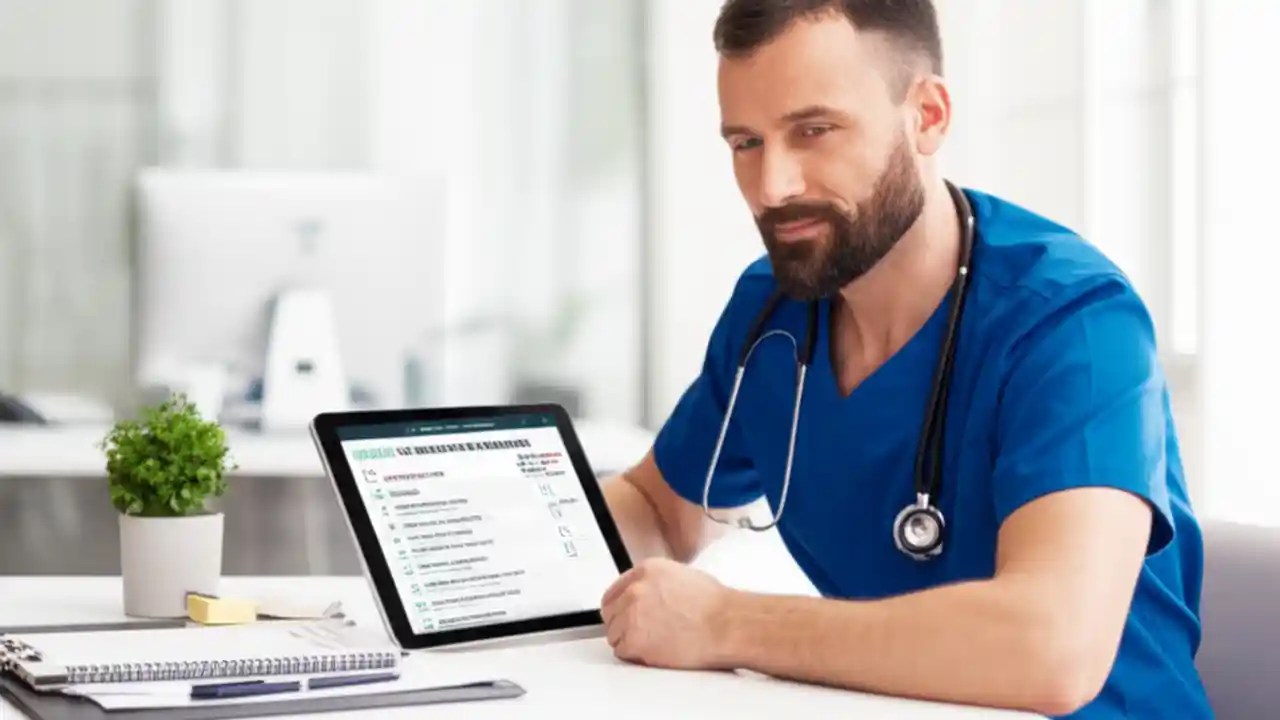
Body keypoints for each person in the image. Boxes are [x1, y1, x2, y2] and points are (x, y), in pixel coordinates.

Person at [597, 1, 1211, 718]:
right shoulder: (774, 314)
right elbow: (660, 510)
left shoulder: (1071, 322)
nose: (772, 187)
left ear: (927, 116)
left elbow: (1051, 650)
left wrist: (726, 624)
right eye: (746, 142)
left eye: (814, 131)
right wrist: (502, 552)